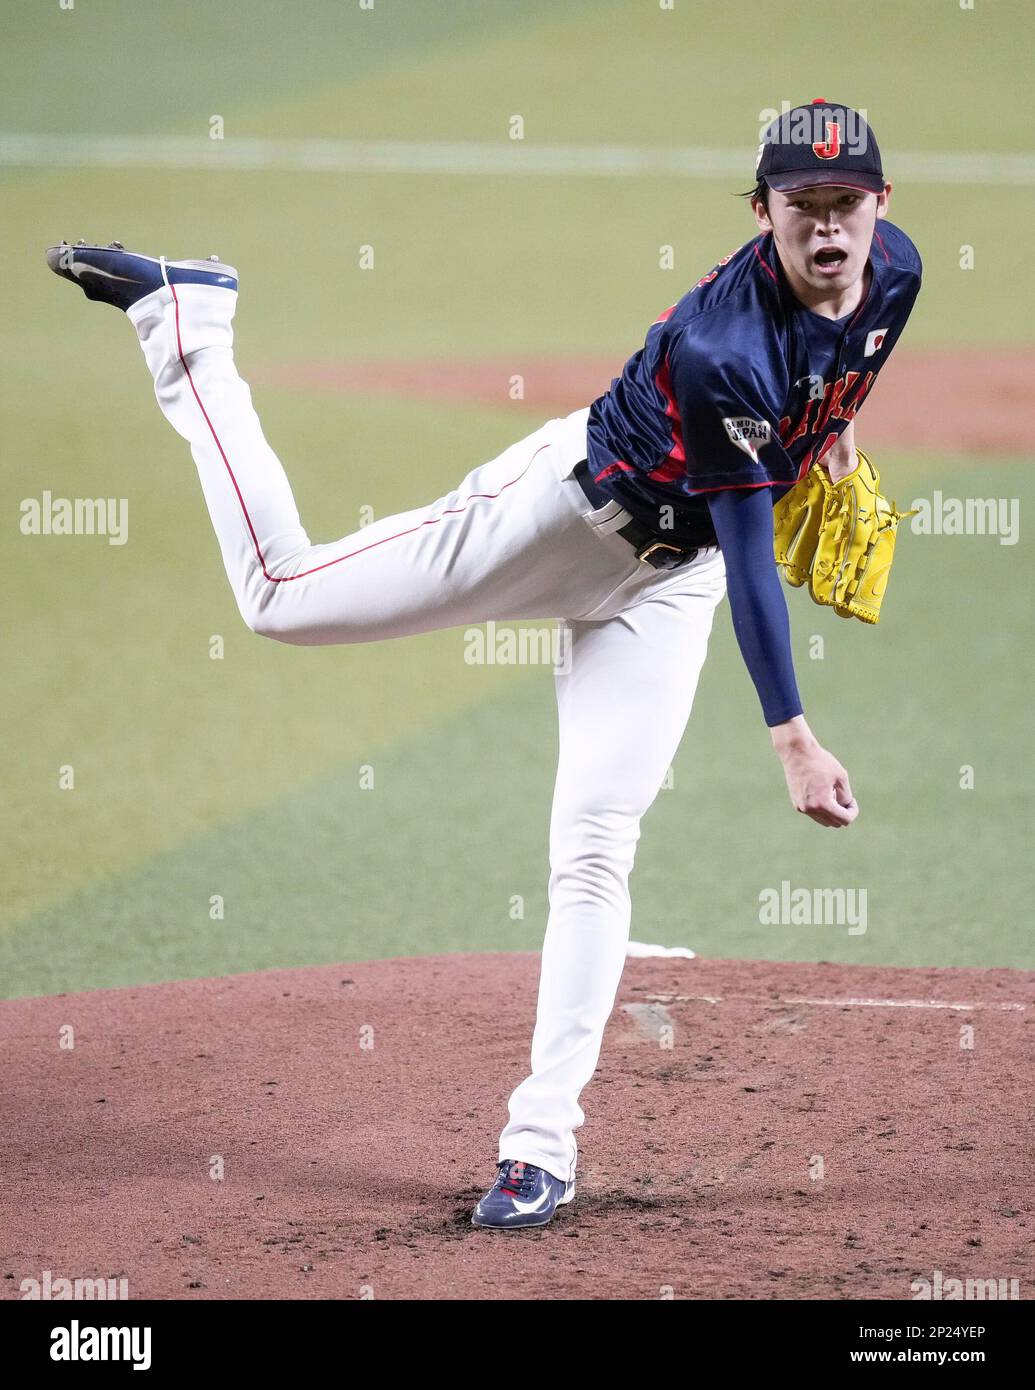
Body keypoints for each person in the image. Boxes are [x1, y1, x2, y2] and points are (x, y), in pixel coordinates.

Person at [46, 98, 921, 1231]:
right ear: (762, 213)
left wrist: (833, 428)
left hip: (667, 584)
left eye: (846, 204)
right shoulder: (724, 350)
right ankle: (189, 329)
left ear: (882, 207)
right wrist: (793, 738)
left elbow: (845, 361)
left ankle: (539, 1145)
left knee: (598, 845)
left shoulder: (893, 274)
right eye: (802, 207)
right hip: (556, 521)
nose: (829, 230)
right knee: (277, 597)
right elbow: (755, 557)